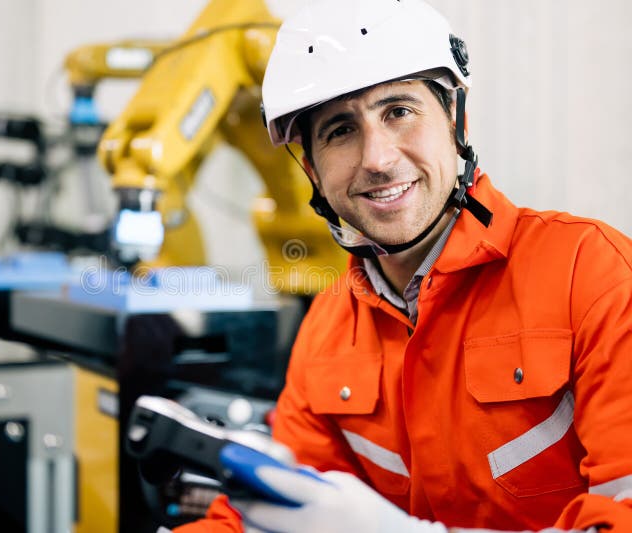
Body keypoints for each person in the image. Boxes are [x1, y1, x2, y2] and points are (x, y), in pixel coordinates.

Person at [172, 0, 632, 531]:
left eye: (399, 111)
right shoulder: (327, 329)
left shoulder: (593, 277)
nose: (378, 158)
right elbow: (267, 511)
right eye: (340, 130)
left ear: (454, 117)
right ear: (313, 172)